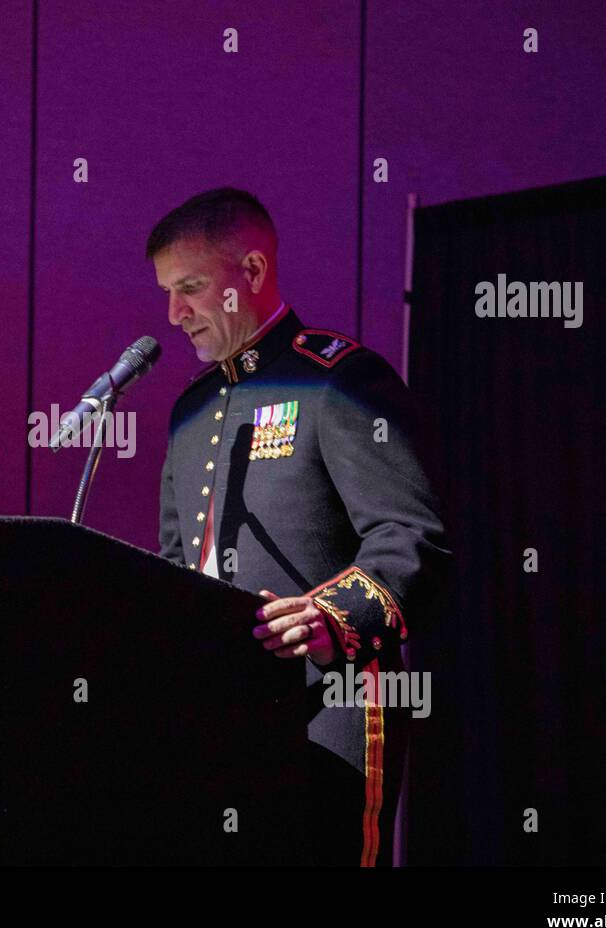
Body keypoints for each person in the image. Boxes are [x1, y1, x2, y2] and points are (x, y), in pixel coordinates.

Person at [151, 187, 450, 866]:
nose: (174, 314)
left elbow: (413, 538)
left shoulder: (339, 380)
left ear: (251, 273)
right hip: (217, 709)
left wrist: (326, 618)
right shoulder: (190, 409)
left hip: (331, 701)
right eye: (168, 293)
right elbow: (175, 564)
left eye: (190, 287)